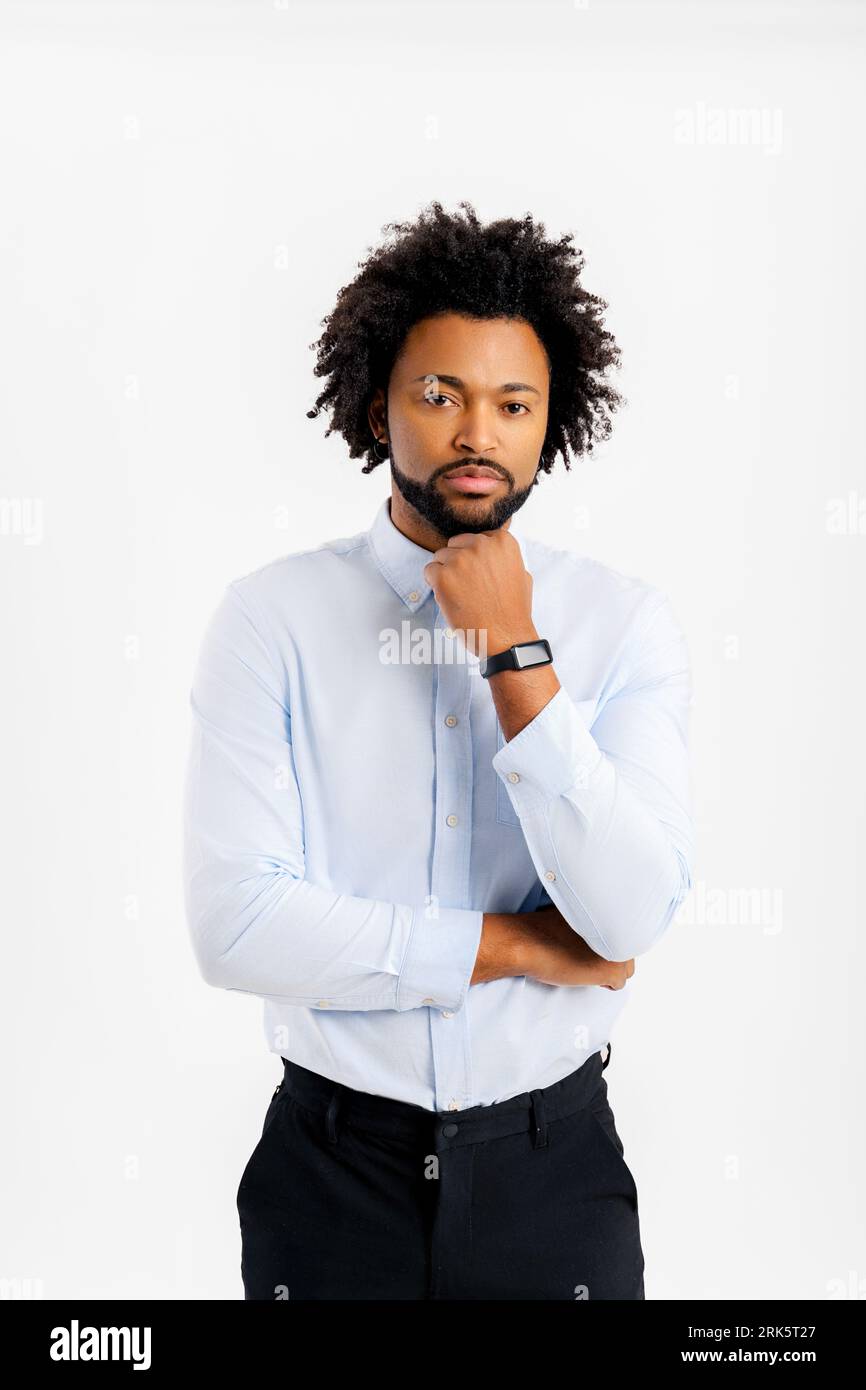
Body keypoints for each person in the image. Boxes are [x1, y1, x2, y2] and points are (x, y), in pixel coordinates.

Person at [182, 200, 694, 1300]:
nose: (477, 434)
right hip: (330, 1180)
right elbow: (237, 927)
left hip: (552, 1179)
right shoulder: (270, 618)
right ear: (379, 405)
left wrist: (516, 655)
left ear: (550, 421)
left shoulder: (622, 623)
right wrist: (513, 946)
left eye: (513, 404)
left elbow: (631, 916)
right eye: (439, 395)